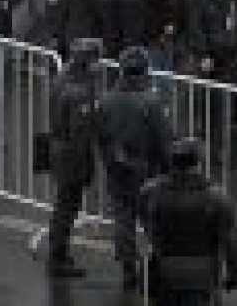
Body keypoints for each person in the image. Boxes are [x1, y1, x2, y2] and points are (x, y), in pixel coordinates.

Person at [96, 44, 173, 291]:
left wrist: (110, 161)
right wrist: (169, 171)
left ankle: (129, 269)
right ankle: (156, 270)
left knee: (123, 221)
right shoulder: (151, 102)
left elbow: (101, 135)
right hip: (147, 172)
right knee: (154, 224)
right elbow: (164, 140)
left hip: (118, 170)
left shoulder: (107, 99)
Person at [141, 136, 237, 305]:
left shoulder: (151, 192)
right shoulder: (216, 198)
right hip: (202, 275)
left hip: (163, 270)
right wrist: (236, 276)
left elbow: (146, 223)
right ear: (198, 164)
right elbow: (231, 244)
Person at [44, 37, 102, 279]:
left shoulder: (61, 79)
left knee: (63, 206)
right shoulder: (78, 93)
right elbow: (80, 135)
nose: (97, 66)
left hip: (60, 149)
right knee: (66, 209)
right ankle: (58, 258)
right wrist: (88, 166)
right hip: (71, 156)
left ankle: (58, 254)